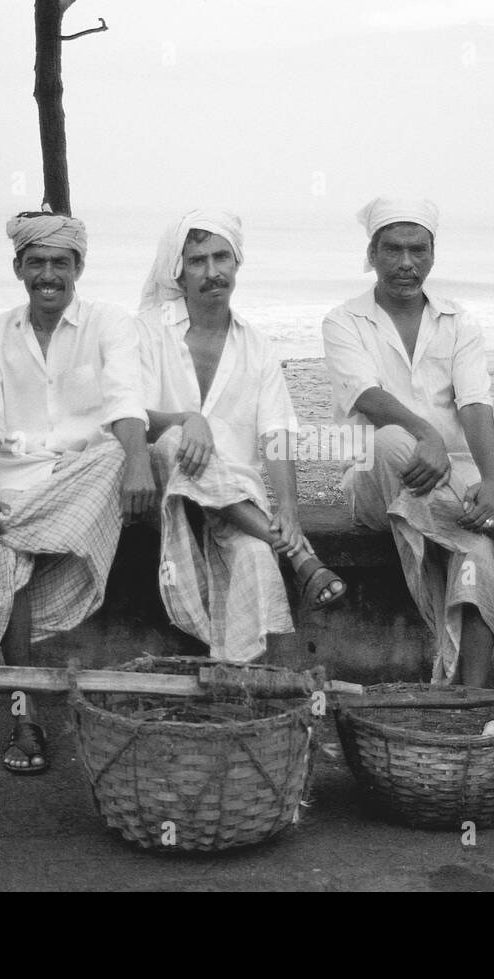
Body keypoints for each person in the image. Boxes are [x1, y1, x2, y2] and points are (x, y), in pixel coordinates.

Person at [322, 196, 494, 687]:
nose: (406, 263)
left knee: (474, 545)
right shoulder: (343, 321)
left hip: (449, 483)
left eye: (417, 249)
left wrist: (491, 485)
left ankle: (470, 697)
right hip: (374, 482)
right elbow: (367, 397)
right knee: (388, 441)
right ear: (372, 254)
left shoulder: (458, 322)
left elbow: (476, 407)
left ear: (433, 254)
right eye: (393, 249)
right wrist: (425, 434)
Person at [0, 210, 156, 773]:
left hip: (89, 478)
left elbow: (126, 404)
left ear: (78, 267)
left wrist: (137, 464)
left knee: (117, 451)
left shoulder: (109, 323)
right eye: (37, 262)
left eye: (60, 262)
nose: (48, 274)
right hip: (21, 483)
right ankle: (24, 719)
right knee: (8, 561)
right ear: (18, 268)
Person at [136, 209, 345, 662]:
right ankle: (297, 555)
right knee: (173, 443)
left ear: (237, 262)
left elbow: (277, 431)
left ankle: (237, 685)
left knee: (252, 556)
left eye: (221, 258)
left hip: (235, 504)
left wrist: (288, 507)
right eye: (197, 261)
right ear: (179, 270)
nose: (212, 273)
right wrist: (187, 419)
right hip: (162, 491)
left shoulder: (256, 343)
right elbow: (128, 417)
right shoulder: (150, 331)